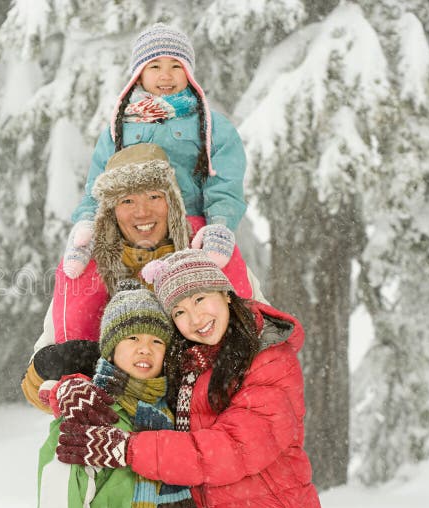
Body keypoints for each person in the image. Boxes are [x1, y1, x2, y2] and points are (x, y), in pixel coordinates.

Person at [54, 249, 325, 508]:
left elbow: (232, 448)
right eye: (179, 312)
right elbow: (131, 382)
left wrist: (129, 449)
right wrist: (70, 388)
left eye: (199, 299)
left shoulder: (270, 359)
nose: (195, 319)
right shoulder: (187, 362)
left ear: (225, 293)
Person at [21, 143, 260, 412]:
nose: (142, 212)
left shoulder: (209, 256)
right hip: (114, 423)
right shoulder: (87, 270)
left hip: (204, 417)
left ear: (172, 201)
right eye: (127, 201)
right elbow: (37, 385)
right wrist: (54, 364)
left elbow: (265, 336)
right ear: (111, 210)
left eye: (154, 196)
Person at [62, 23, 247, 280]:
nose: (166, 76)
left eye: (176, 66)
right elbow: (98, 185)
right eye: (155, 66)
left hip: (191, 231)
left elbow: (226, 183)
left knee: (231, 287)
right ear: (139, 75)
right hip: (131, 232)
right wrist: (87, 224)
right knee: (76, 284)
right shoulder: (120, 126)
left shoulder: (210, 125)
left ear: (189, 72)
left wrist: (220, 226)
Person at [37, 280, 202, 508]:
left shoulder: (175, 411)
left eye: (157, 341)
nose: (145, 349)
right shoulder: (87, 408)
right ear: (111, 350)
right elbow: (60, 506)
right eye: (133, 337)